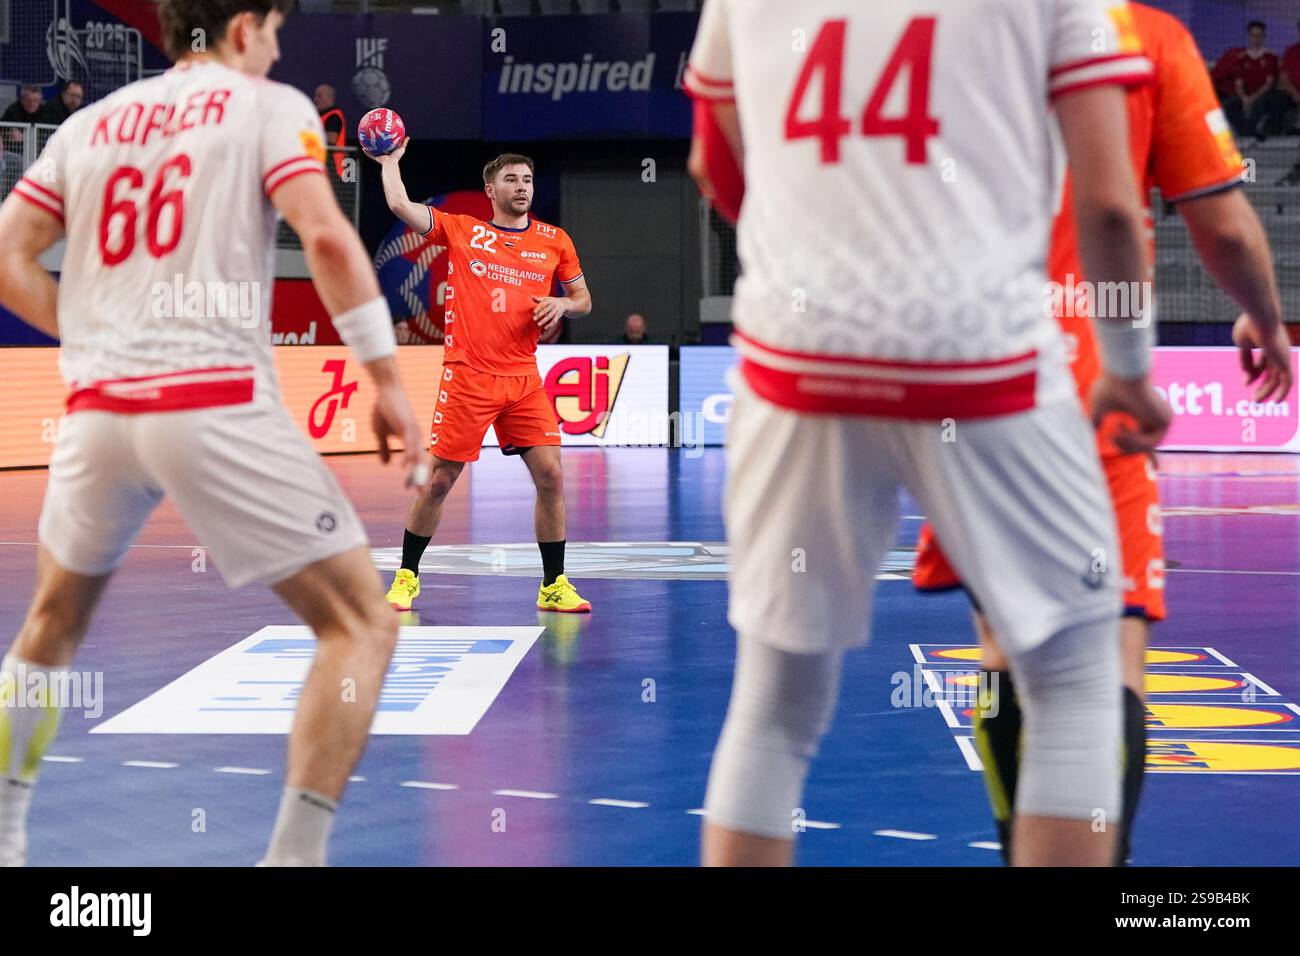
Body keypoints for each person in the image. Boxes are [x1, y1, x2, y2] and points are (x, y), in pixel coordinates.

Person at [688, 0, 1170, 867]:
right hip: (979, 352)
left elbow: (711, 160)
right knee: (1075, 680)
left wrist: (817, 258)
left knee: (773, 703)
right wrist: (1128, 365)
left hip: (795, 359)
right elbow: (1107, 208)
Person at [0, 0, 428, 868]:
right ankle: (294, 858)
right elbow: (328, 239)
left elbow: (9, 254)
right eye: (271, 32)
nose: (274, 52)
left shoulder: (89, 122)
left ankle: (6, 830)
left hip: (97, 411)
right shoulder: (268, 109)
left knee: (50, 624)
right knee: (360, 627)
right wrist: (385, 379)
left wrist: (86, 337)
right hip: (211, 399)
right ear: (241, 29)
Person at [912, 1, 1292, 866]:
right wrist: (1266, 322)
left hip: (962, 377)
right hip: (1081, 380)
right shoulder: (1144, 37)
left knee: (1004, 647)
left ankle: (1026, 848)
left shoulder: (937, 34)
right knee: (1105, 656)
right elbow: (1216, 222)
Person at [373, 144, 594, 614]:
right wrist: (390, 163)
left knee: (552, 476)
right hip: (469, 375)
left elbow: (583, 300)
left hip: (523, 378)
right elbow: (399, 206)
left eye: (528, 180)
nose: (522, 187)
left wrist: (563, 304)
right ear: (490, 189)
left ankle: (553, 584)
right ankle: (407, 576)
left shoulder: (555, 240)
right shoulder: (462, 229)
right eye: (512, 180)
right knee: (439, 482)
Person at [1213, 21, 1278, 140]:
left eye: (1260, 35)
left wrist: (1253, 97)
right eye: (1254, 35)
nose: (1256, 39)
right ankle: (1248, 133)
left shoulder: (1270, 57)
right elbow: (1239, 82)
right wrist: (1244, 98)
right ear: (1249, 36)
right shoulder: (1241, 57)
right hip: (1245, 94)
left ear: (1264, 37)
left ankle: (1247, 133)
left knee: (1262, 102)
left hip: (1262, 94)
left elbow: (1268, 83)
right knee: (1229, 105)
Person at [0, 86, 48, 158]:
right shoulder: (12, 111)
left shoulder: (45, 112)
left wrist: (24, 137)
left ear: (40, 100)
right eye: (28, 100)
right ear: (22, 100)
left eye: (35, 101)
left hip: (38, 153)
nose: (31, 104)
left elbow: (45, 134)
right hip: (15, 152)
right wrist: (10, 131)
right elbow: (4, 129)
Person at [313, 83, 347, 179]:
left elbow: (330, 143)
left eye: (319, 96)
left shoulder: (333, 116)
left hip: (333, 170)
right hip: (324, 168)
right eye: (315, 95)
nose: (315, 99)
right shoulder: (321, 115)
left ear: (329, 97)